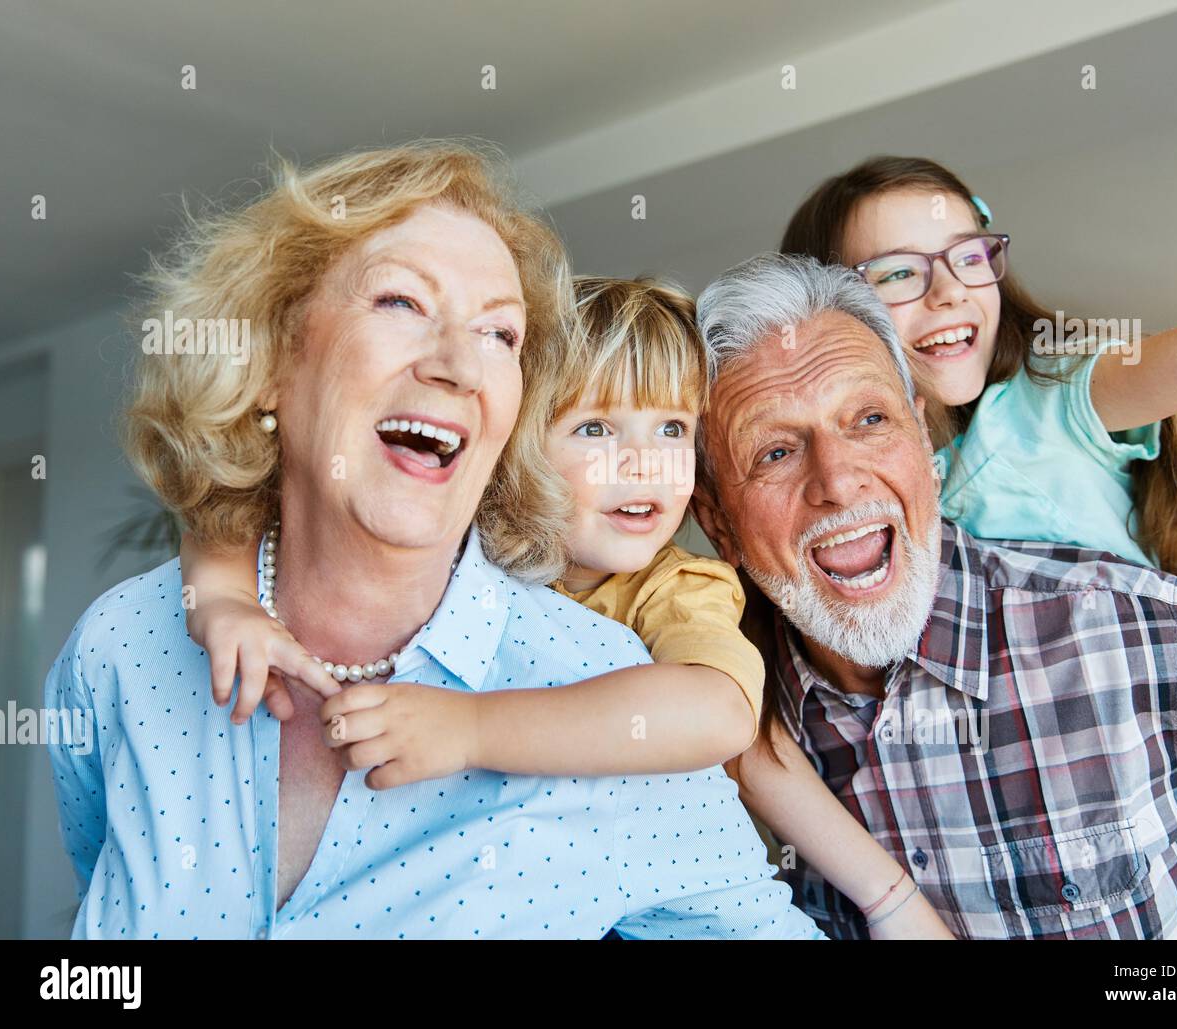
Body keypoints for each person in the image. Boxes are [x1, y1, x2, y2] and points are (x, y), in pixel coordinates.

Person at [43, 141, 824, 940]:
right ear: (272, 358)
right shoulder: (124, 644)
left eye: (499, 334)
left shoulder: (608, 692)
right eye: (401, 303)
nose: (459, 364)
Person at [179, 272, 952, 938]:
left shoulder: (674, 587)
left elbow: (720, 716)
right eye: (594, 427)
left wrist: (470, 727)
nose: (644, 462)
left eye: (673, 429)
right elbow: (241, 494)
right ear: (514, 441)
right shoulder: (458, 540)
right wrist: (222, 597)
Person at [691, 251, 1177, 939]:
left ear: (922, 437)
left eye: (869, 421)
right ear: (717, 525)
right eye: (775, 452)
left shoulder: (1150, 631)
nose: (838, 479)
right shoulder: (725, 710)